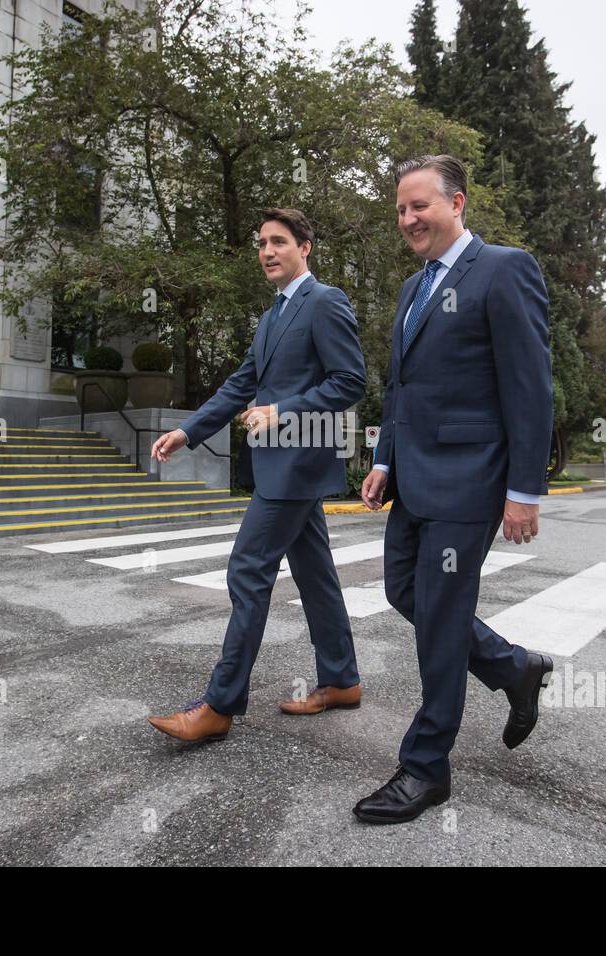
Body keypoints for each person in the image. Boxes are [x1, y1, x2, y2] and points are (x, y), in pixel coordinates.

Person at [353, 155, 555, 824]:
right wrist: (383, 456)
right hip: (413, 476)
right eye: (401, 210)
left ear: (457, 203)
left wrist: (524, 488)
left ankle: (425, 766)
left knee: (438, 616)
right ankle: (511, 668)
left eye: (421, 206)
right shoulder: (412, 288)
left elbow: (528, 385)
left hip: (471, 480)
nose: (409, 219)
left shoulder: (504, 269)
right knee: (402, 591)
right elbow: (400, 387)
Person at [146, 208, 366, 742]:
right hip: (284, 466)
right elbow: (240, 383)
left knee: (248, 570)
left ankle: (220, 705)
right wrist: (190, 431)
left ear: (304, 247)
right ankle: (341, 680)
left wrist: (283, 410)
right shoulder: (272, 317)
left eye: (278, 242)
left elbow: (349, 381)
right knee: (315, 575)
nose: (267, 252)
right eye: (261, 243)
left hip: (298, 461)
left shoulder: (324, 302)